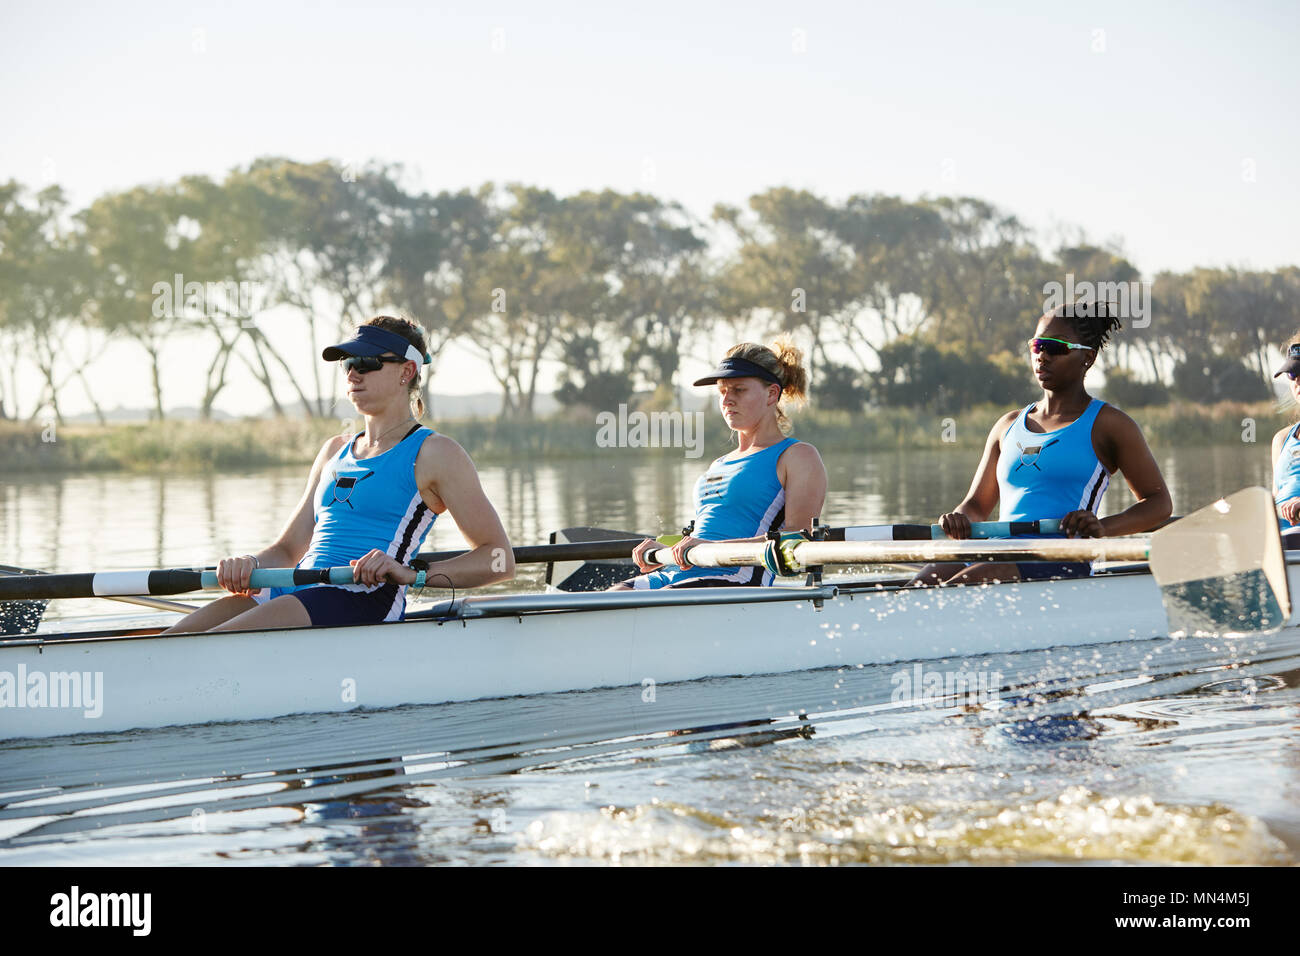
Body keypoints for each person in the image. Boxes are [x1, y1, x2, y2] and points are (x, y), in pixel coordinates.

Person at [164, 315, 514, 633]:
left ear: (406, 371)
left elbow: (499, 559)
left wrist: (413, 575)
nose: (352, 373)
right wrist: (249, 563)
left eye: (366, 362)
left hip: (361, 597)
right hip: (295, 588)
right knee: (173, 642)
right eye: (348, 363)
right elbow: (287, 550)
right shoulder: (334, 450)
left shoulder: (436, 453)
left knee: (208, 647)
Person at [912, 302, 1172, 586]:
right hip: (998, 551)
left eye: (1056, 347)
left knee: (974, 580)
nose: (1043, 357)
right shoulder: (1006, 426)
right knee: (923, 581)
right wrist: (958, 519)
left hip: (1064, 556)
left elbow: (1158, 503)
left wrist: (1102, 527)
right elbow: (975, 505)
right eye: (1037, 346)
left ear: (1088, 358)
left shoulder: (1110, 425)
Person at [614, 336, 828, 589]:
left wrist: (711, 548)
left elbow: (798, 541)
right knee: (609, 598)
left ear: (772, 394)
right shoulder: (718, 464)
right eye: (723, 391)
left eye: (739, 390)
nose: (727, 400)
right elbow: (711, 533)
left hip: (733, 580)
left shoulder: (798, 456)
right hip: (678, 574)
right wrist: (667, 550)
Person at [1269, 335, 1300, 549]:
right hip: (1279, 544)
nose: (1297, 380)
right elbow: (1274, 500)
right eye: (1292, 373)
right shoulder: (1281, 440)